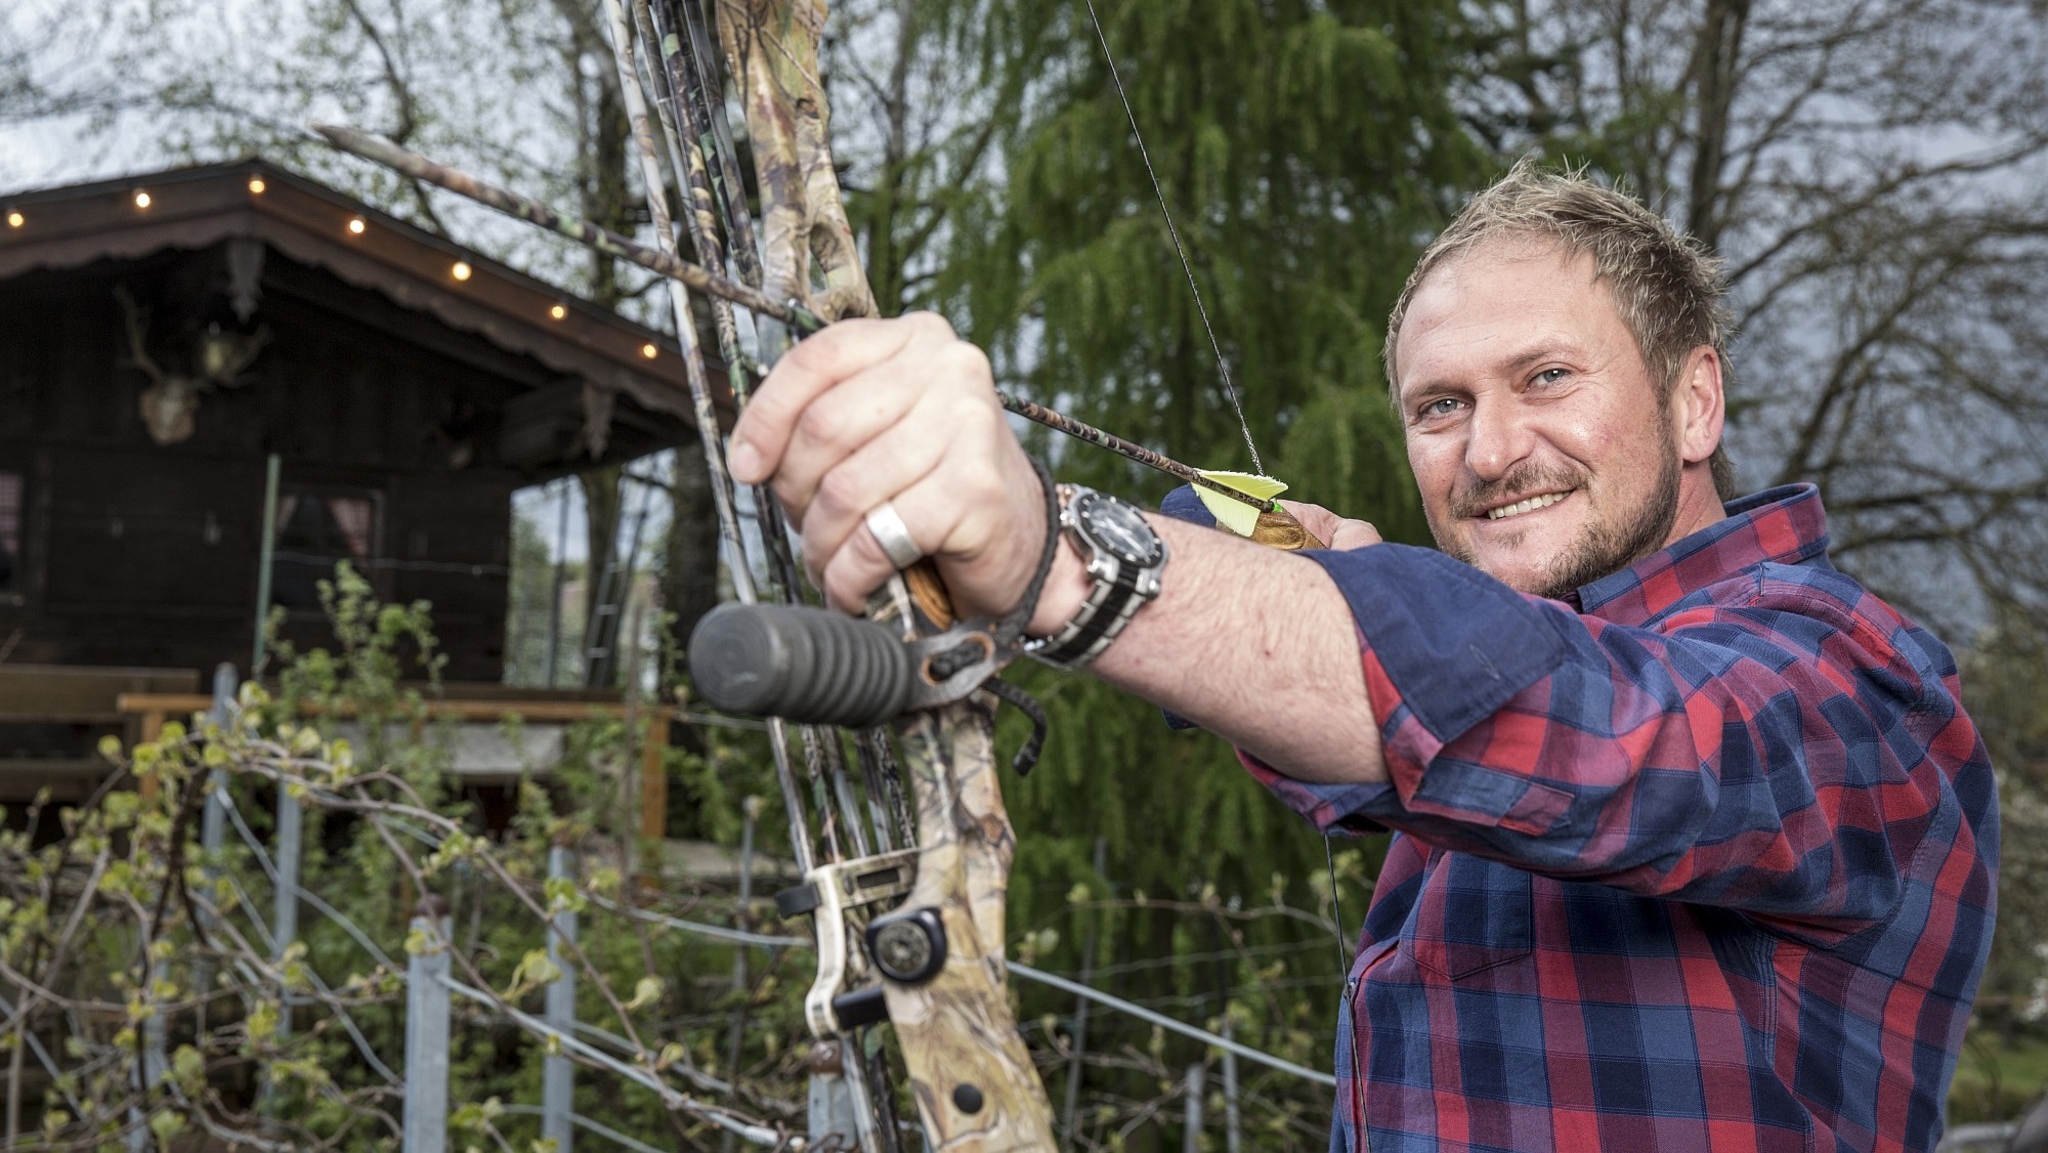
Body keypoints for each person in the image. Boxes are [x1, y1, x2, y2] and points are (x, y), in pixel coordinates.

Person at [724, 164, 1998, 1151]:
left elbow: (1597, 735)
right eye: (1438, 407)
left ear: (1693, 403)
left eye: (1545, 377)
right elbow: (1383, 722)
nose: (1489, 451)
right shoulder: (1510, 698)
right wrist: (1291, 589)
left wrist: (1057, 558)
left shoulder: (1850, 677)